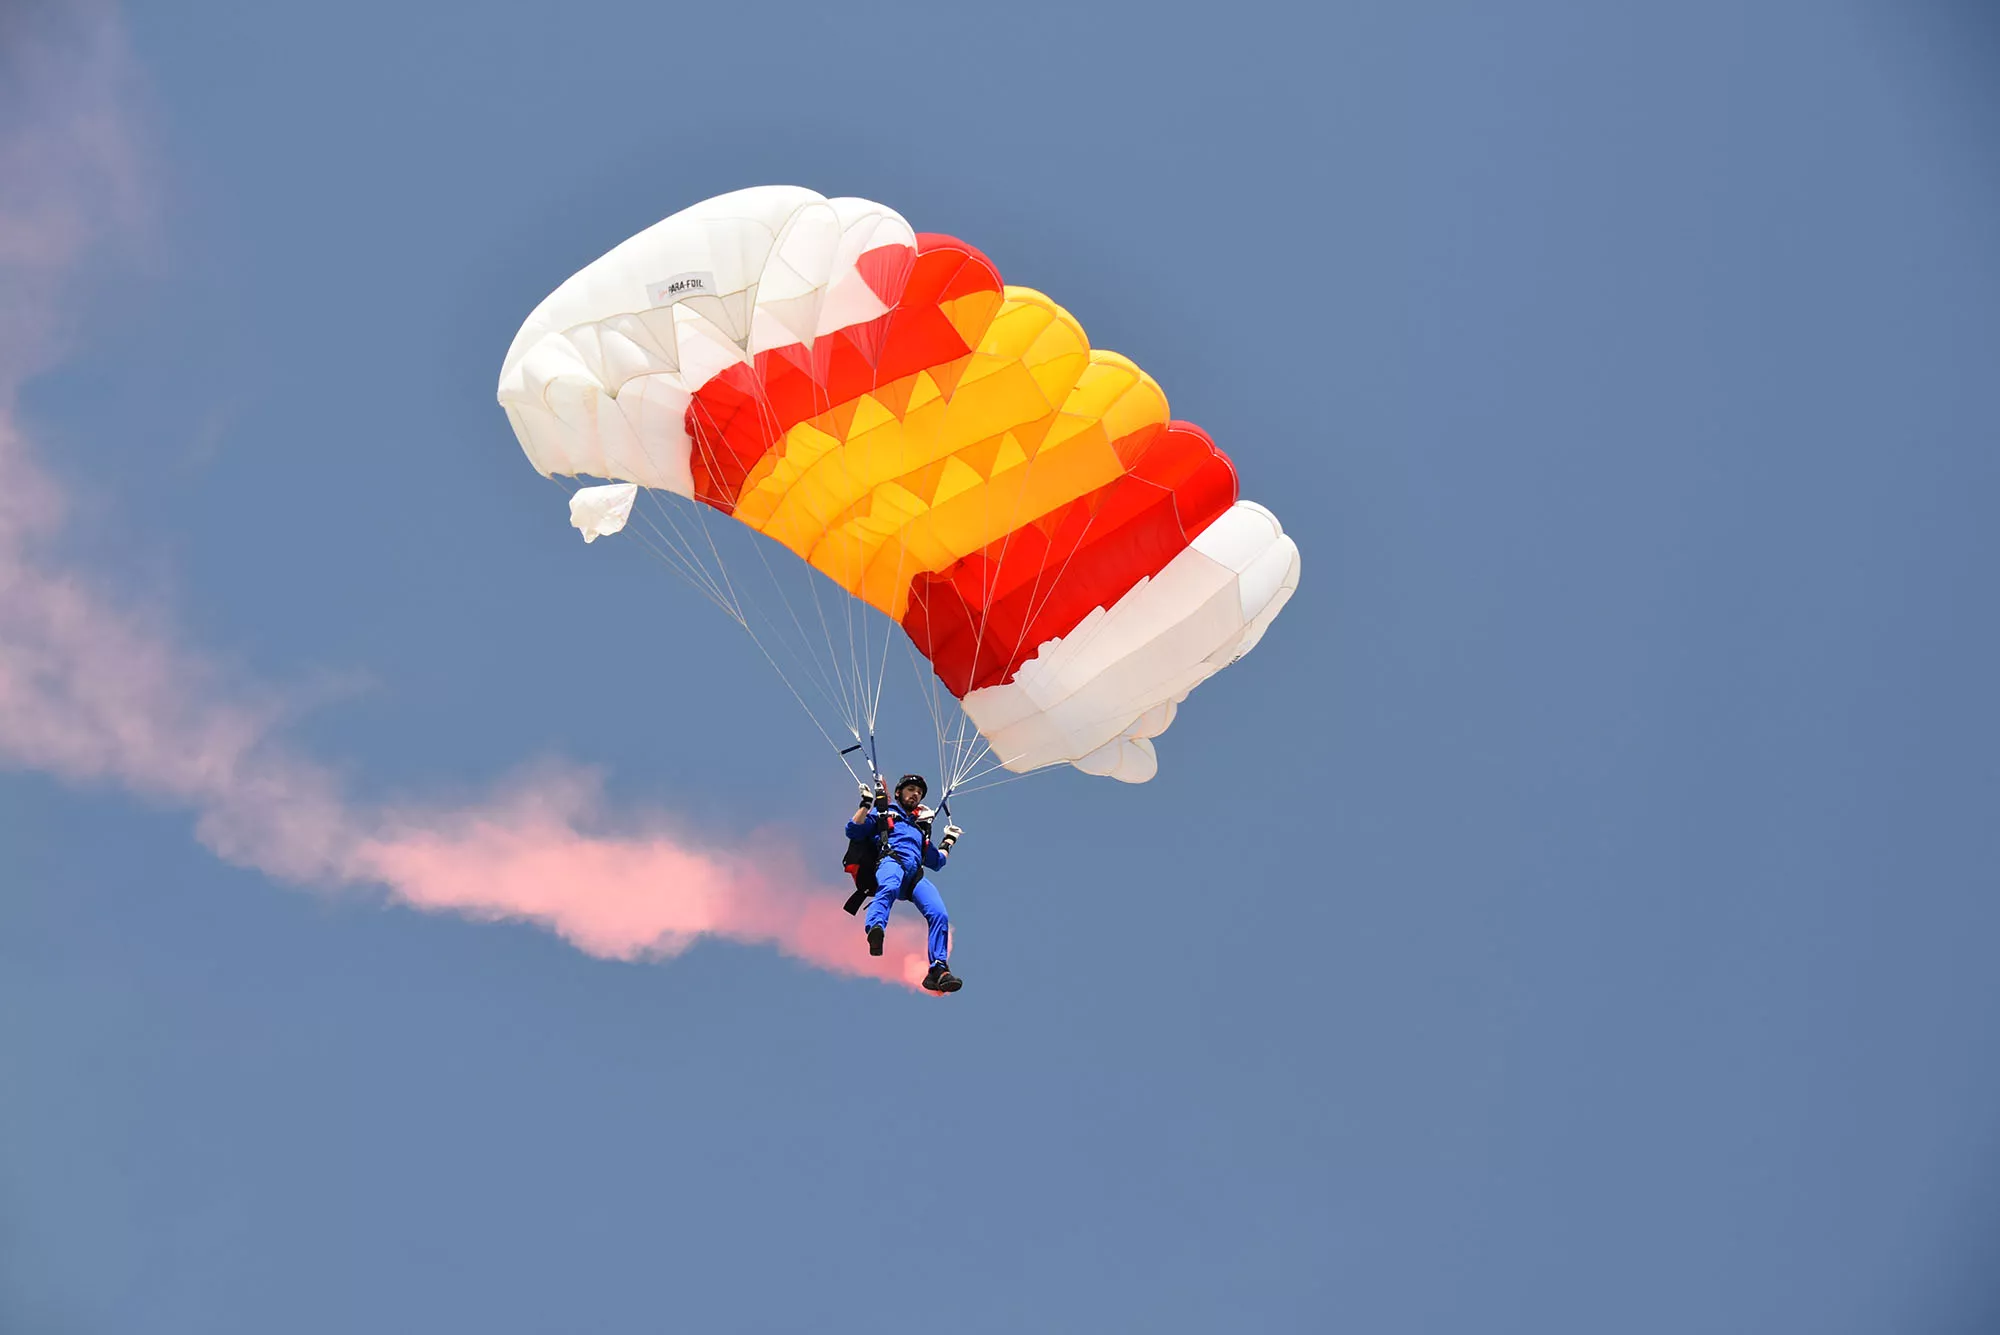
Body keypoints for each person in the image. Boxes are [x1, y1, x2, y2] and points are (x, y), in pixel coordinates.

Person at [847, 773, 964, 993]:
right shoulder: (885, 812)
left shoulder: (920, 829)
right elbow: (853, 829)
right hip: (891, 861)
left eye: (919, 793)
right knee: (889, 887)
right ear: (899, 792)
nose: (916, 794)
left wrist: (949, 841)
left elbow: (937, 861)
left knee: (940, 914)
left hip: (914, 876)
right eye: (911, 790)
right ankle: (876, 928)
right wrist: (865, 804)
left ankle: (938, 971)